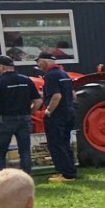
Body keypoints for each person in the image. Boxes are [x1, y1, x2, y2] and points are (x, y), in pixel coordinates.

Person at [0, 54, 39, 173]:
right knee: (25, 151)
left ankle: (0, 177)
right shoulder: (26, 80)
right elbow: (38, 101)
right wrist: (30, 113)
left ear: (1, 67)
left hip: (5, 119)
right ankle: (26, 176)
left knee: (0, 152)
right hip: (24, 119)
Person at [36, 51, 78, 183]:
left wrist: (48, 111)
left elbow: (56, 96)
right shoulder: (63, 74)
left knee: (56, 144)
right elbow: (73, 94)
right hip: (69, 112)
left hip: (57, 114)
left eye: (38, 62)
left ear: (43, 62)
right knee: (65, 143)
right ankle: (70, 171)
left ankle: (66, 174)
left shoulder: (50, 76)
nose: (38, 65)